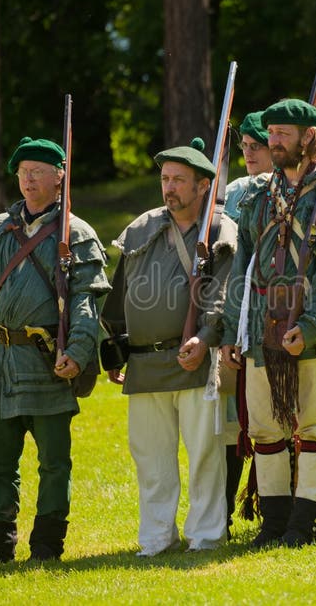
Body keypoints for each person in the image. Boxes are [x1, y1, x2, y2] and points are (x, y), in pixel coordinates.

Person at [0, 136, 109, 566]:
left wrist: (79, 352)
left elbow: (87, 301)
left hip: (49, 363)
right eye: (23, 172)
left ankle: (47, 547)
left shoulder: (77, 235)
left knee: (54, 465)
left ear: (59, 177)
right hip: (0, 365)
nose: (28, 180)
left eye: (38, 172)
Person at [220, 99, 316, 548]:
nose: (274, 140)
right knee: (264, 427)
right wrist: (231, 331)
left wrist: (315, 325)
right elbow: (242, 268)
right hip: (262, 327)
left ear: (308, 137)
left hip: (309, 328)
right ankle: (274, 522)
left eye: (284, 132)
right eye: (271, 132)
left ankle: (305, 523)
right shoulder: (260, 195)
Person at [101, 138, 237, 557]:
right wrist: (115, 346)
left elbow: (224, 291)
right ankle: (157, 538)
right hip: (145, 364)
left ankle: (207, 535)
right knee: (151, 459)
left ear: (202, 186)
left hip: (197, 359)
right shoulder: (142, 227)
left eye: (179, 180)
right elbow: (118, 294)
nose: (170, 187)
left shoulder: (219, 229)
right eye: (165, 179)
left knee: (204, 456)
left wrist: (207, 337)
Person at [219, 111, 274, 535]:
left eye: (258, 146)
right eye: (245, 147)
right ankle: (219, 512)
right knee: (230, 423)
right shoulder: (235, 192)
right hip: (234, 310)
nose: (250, 153)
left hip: (276, 312)